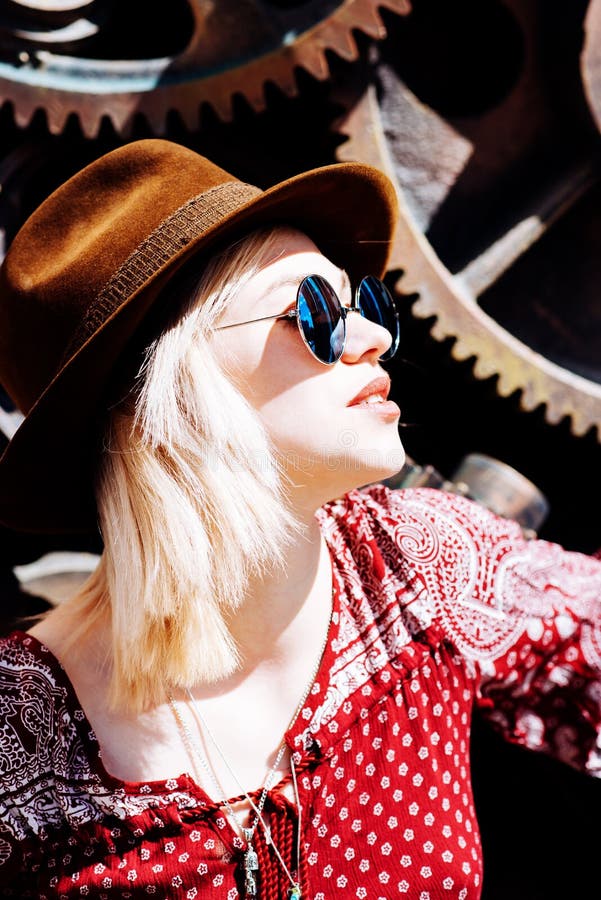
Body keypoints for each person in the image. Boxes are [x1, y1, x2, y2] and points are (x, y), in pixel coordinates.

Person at [0, 139, 599, 900]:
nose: (375, 337)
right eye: (313, 313)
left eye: (364, 305)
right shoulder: (17, 730)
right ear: (171, 394)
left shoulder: (417, 565)